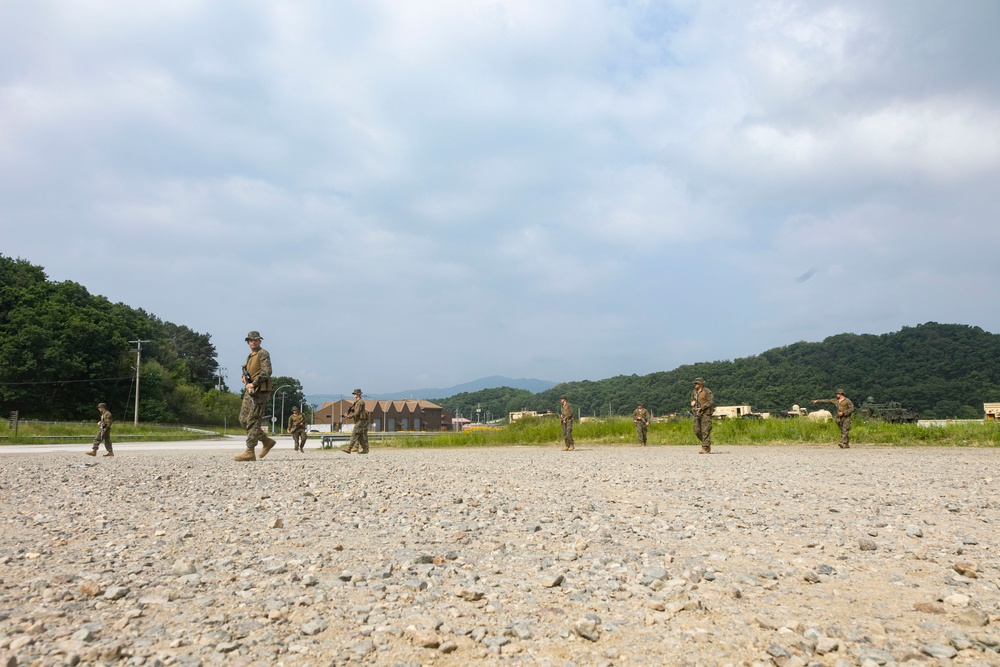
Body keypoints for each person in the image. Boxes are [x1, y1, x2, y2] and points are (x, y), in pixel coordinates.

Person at [235, 331, 275, 462]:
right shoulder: (251, 356)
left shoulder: (263, 353)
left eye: (256, 340)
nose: (253, 342)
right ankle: (265, 440)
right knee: (243, 420)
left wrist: (254, 383)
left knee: (252, 420)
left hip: (259, 391)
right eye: (251, 340)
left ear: (260, 341)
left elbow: (266, 371)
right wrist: (245, 379)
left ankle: (250, 451)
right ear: (247, 342)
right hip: (250, 390)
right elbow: (251, 371)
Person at [691, 378, 715, 453]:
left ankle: (705, 447)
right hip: (696, 414)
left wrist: (702, 407)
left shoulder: (707, 391)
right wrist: (692, 402)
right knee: (697, 430)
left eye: (696, 383)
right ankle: (706, 443)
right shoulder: (694, 392)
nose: (695, 385)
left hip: (705, 413)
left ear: (700, 384)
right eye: (694, 383)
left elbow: (710, 401)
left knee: (705, 430)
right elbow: (692, 400)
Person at [343, 388, 370, 454]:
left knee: (354, 434)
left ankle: (349, 448)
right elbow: (355, 411)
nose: (354, 395)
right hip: (359, 420)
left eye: (355, 393)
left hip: (361, 420)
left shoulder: (360, 402)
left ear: (358, 394)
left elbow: (357, 412)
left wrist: (349, 416)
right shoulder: (356, 403)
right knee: (361, 435)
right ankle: (365, 449)